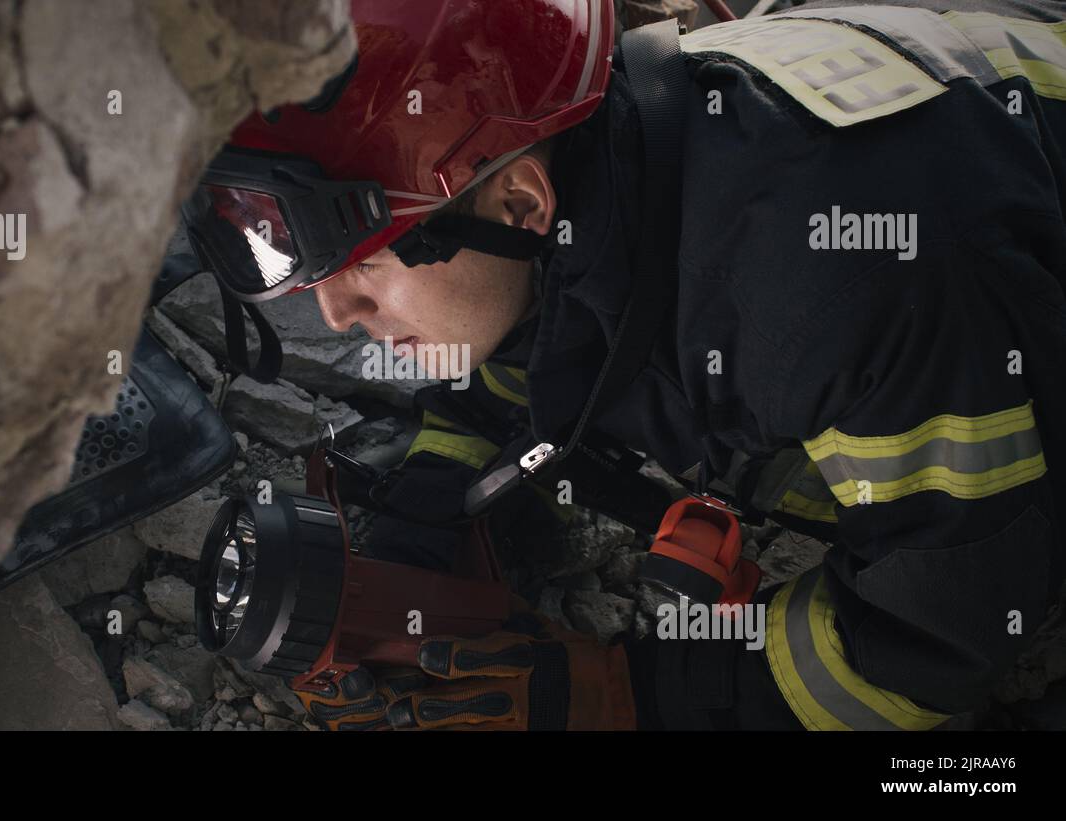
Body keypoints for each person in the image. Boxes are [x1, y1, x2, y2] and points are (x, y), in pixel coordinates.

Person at [181, 0, 1066, 729]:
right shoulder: (595, 173)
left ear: (520, 200)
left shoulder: (836, 280)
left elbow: (938, 629)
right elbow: (530, 351)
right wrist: (423, 521)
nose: (337, 314)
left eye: (368, 263)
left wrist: (633, 697)